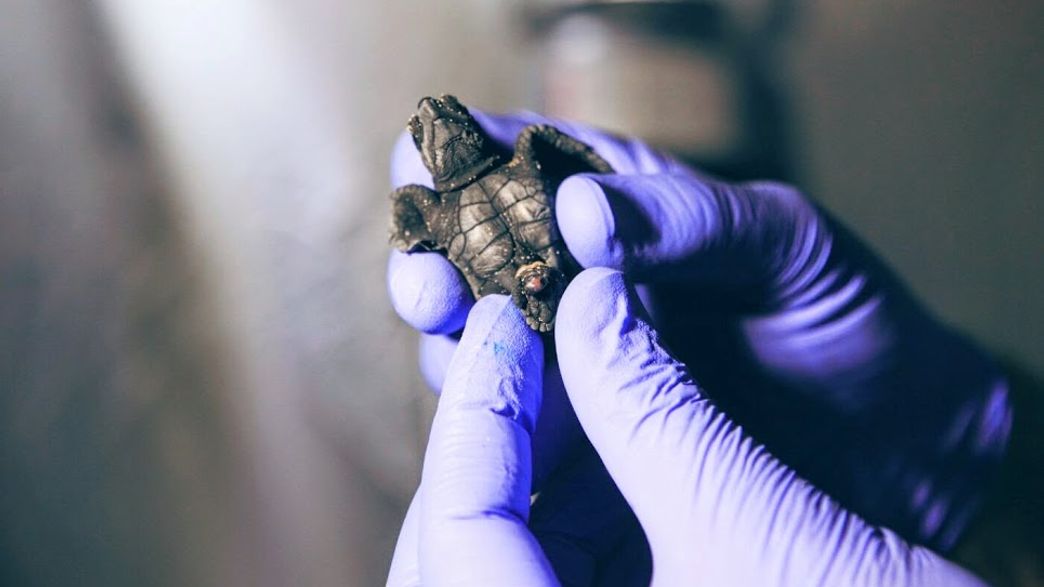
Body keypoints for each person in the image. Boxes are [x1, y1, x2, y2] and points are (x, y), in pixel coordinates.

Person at [383, 109, 1016, 586]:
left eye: (448, 116)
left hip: (578, 276)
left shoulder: (521, 155)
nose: (440, 123)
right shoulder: (436, 206)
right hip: (528, 310)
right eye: (427, 127)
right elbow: (412, 217)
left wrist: (970, 466)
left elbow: (553, 150)